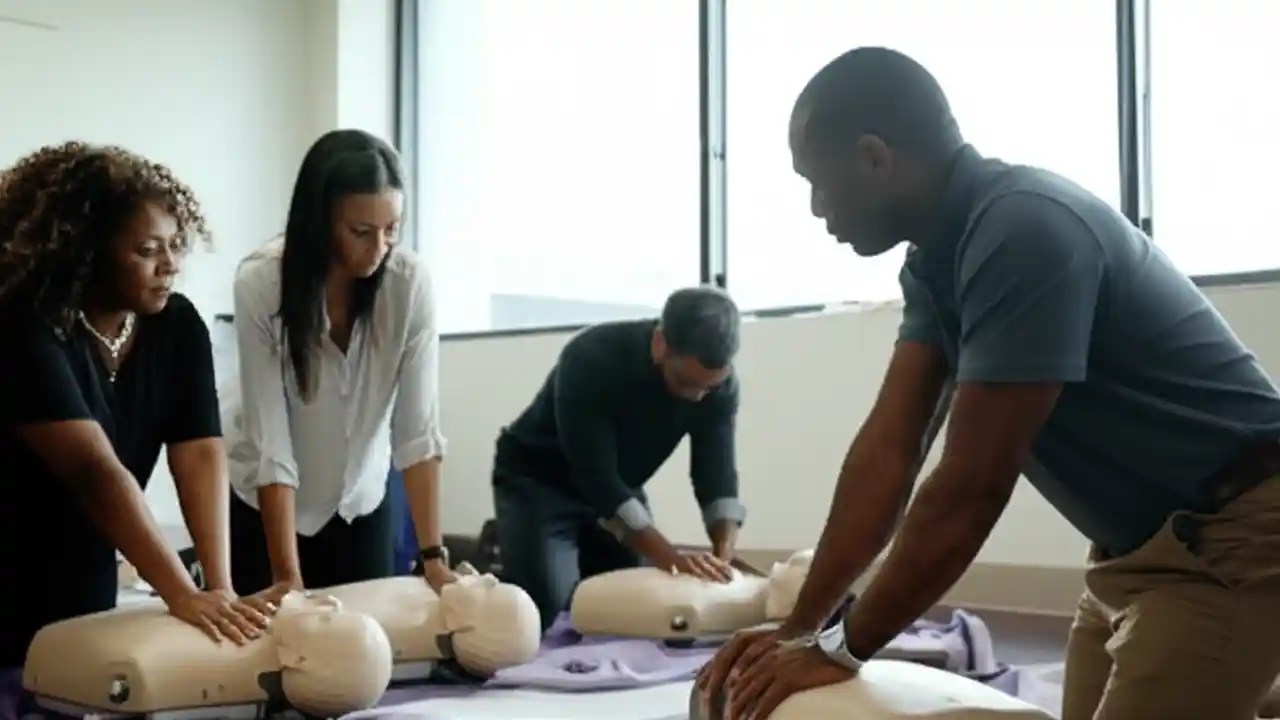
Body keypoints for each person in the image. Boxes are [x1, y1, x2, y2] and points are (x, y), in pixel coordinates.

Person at [697, 46, 1280, 720]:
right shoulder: (937, 263)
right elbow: (891, 451)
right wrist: (802, 625)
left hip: (1236, 542)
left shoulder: (1024, 229)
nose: (815, 207)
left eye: (818, 182)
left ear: (873, 158)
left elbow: (970, 488)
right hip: (1136, 558)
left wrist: (841, 649)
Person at [0, 142, 270, 714]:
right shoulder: (25, 323)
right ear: (86, 252)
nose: (169, 263)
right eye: (147, 250)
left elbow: (200, 455)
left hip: (85, 586)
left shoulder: (176, 326)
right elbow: (94, 470)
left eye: (176, 245)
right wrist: (181, 593)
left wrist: (216, 587)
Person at [226, 129, 453, 608]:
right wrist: (288, 577)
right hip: (266, 512)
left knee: (363, 661)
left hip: (359, 507)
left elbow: (418, 432)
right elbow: (273, 445)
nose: (380, 248)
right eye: (361, 232)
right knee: (269, 662)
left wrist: (433, 558)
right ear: (321, 220)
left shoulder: (409, 285)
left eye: (392, 229)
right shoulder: (261, 284)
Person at [492, 286, 748, 628]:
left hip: (620, 485)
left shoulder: (719, 389)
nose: (698, 397)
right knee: (547, 610)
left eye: (710, 387)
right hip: (540, 482)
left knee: (635, 605)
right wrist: (672, 558)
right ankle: (506, 546)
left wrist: (722, 557)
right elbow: (595, 476)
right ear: (660, 343)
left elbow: (716, 473)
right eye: (686, 382)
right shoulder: (591, 357)